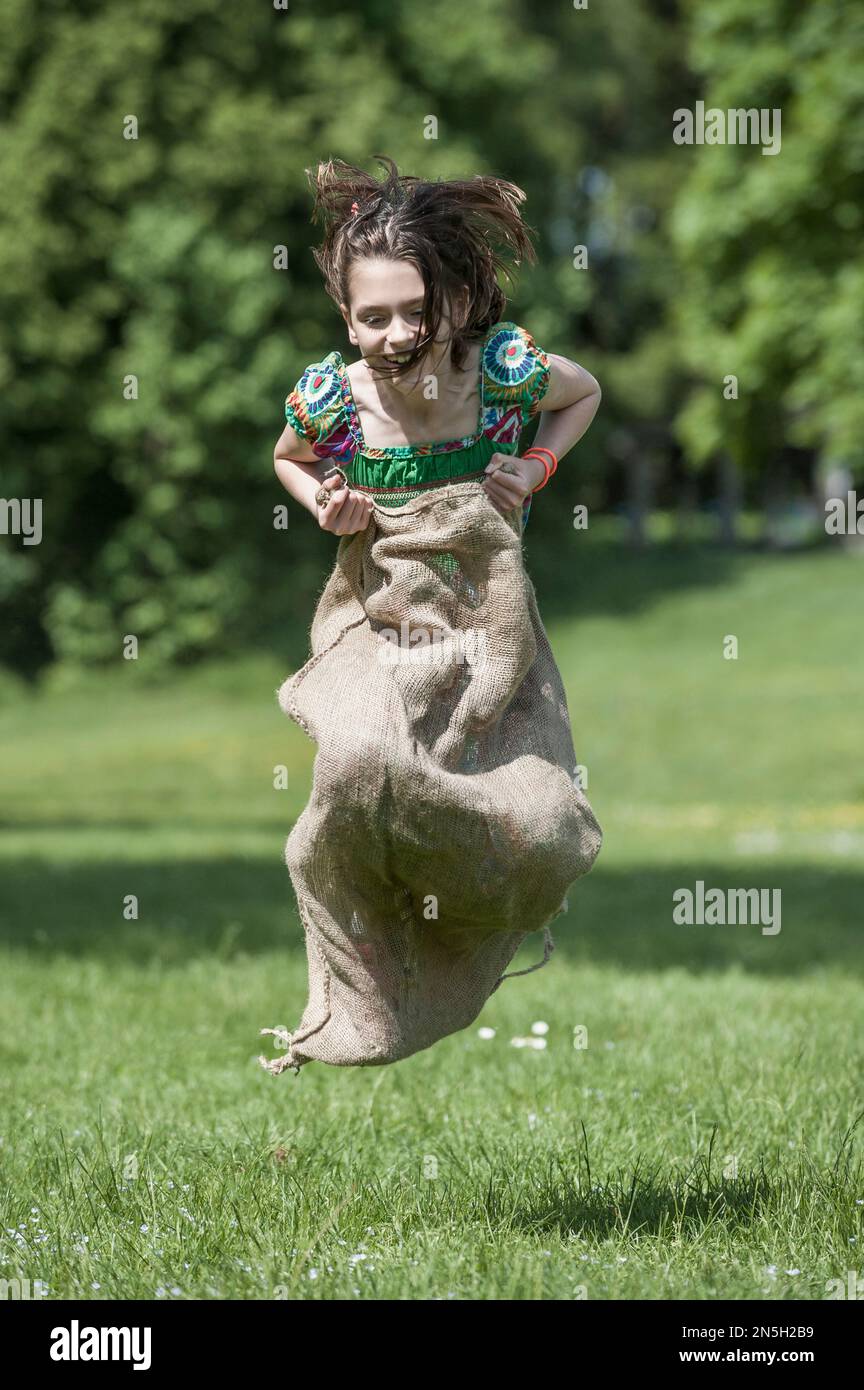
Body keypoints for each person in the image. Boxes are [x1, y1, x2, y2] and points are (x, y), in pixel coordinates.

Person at [259, 155, 603, 1076]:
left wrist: (535, 468)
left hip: (485, 625)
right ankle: (356, 996)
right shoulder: (335, 399)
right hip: (380, 618)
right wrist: (323, 500)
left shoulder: (502, 373)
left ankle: (457, 916)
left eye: (419, 309)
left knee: (534, 821)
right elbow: (287, 456)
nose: (399, 332)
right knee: (362, 761)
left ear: (453, 296)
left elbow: (585, 395)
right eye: (375, 316)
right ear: (345, 314)